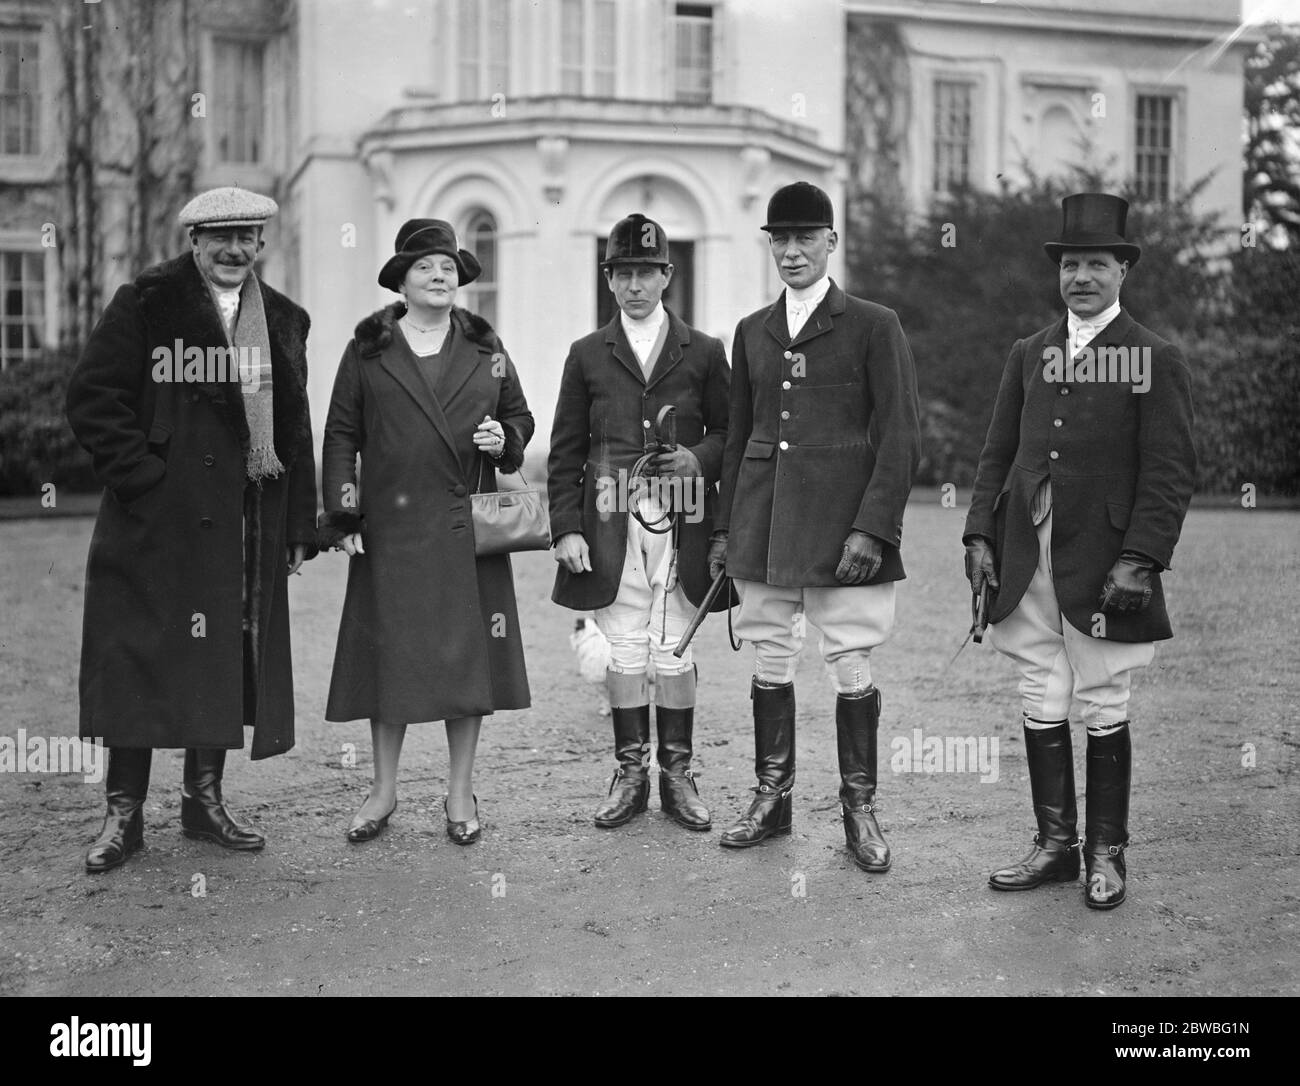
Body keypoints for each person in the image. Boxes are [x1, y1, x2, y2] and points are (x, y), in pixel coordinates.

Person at [66, 186, 318, 873]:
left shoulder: (285, 321)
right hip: (156, 521)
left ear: (261, 245)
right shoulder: (147, 304)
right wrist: (145, 479)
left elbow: (292, 429)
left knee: (225, 653)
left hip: (245, 519)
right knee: (140, 653)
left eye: (247, 237)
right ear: (194, 242)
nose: (235, 249)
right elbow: (93, 397)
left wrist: (300, 523)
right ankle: (124, 815)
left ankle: (203, 802)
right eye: (220, 237)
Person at [963, 192, 1196, 910]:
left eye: (1097, 262)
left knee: (1102, 695)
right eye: (1070, 264)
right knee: (1040, 688)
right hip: (1026, 552)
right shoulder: (1028, 353)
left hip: (1104, 561)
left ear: (1123, 269)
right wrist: (977, 533)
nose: (1081, 277)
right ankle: (1056, 846)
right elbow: (997, 451)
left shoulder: (1152, 356)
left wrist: (1142, 558)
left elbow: (1169, 471)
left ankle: (1106, 852)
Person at [710, 181, 921, 870]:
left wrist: (873, 528)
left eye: (806, 238)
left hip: (844, 530)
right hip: (766, 525)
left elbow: (900, 437)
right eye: (781, 239)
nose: (792, 251)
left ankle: (860, 810)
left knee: (850, 657)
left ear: (832, 242)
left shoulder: (874, 323)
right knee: (772, 654)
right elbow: (741, 439)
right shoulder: (751, 332)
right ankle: (773, 799)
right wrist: (725, 532)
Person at [319, 218, 534, 846]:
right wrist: (343, 515)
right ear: (402, 281)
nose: (440, 277)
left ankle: (460, 792)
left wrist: (505, 442)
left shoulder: (486, 350)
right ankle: (382, 791)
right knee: (391, 666)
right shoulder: (368, 350)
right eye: (425, 268)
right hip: (391, 530)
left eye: (448, 268)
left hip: (464, 527)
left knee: (467, 668)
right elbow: (340, 436)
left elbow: (517, 417)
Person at [548, 213, 730, 831]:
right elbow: (566, 448)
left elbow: (731, 433)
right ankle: (630, 774)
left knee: (674, 639)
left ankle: (677, 775)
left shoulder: (704, 351)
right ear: (609, 279)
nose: (634, 285)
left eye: (646, 273)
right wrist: (566, 527)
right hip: (608, 518)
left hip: (685, 515)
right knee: (624, 642)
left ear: (667, 276)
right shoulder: (586, 355)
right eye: (622, 273)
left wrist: (697, 458)